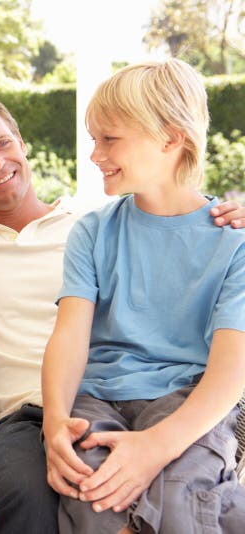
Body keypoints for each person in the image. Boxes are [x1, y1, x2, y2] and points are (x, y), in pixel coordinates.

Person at [0, 94, 245, 534]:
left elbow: (171, 221)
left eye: (2, 144)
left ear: (21, 143)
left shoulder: (90, 224)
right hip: (26, 413)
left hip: (101, 392)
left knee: (171, 489)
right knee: (31, 499)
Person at [41, 58, 245, 533]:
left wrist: (158, 446)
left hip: (188, 398)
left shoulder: (234, 240)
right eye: (93, 139)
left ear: (171, 138)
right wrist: (54, 421)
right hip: (99, 398)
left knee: (179, 497)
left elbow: (233, 368)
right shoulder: (92, 232)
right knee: (90, 492)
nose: (94, 154)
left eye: (109, 139)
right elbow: (69, 337)